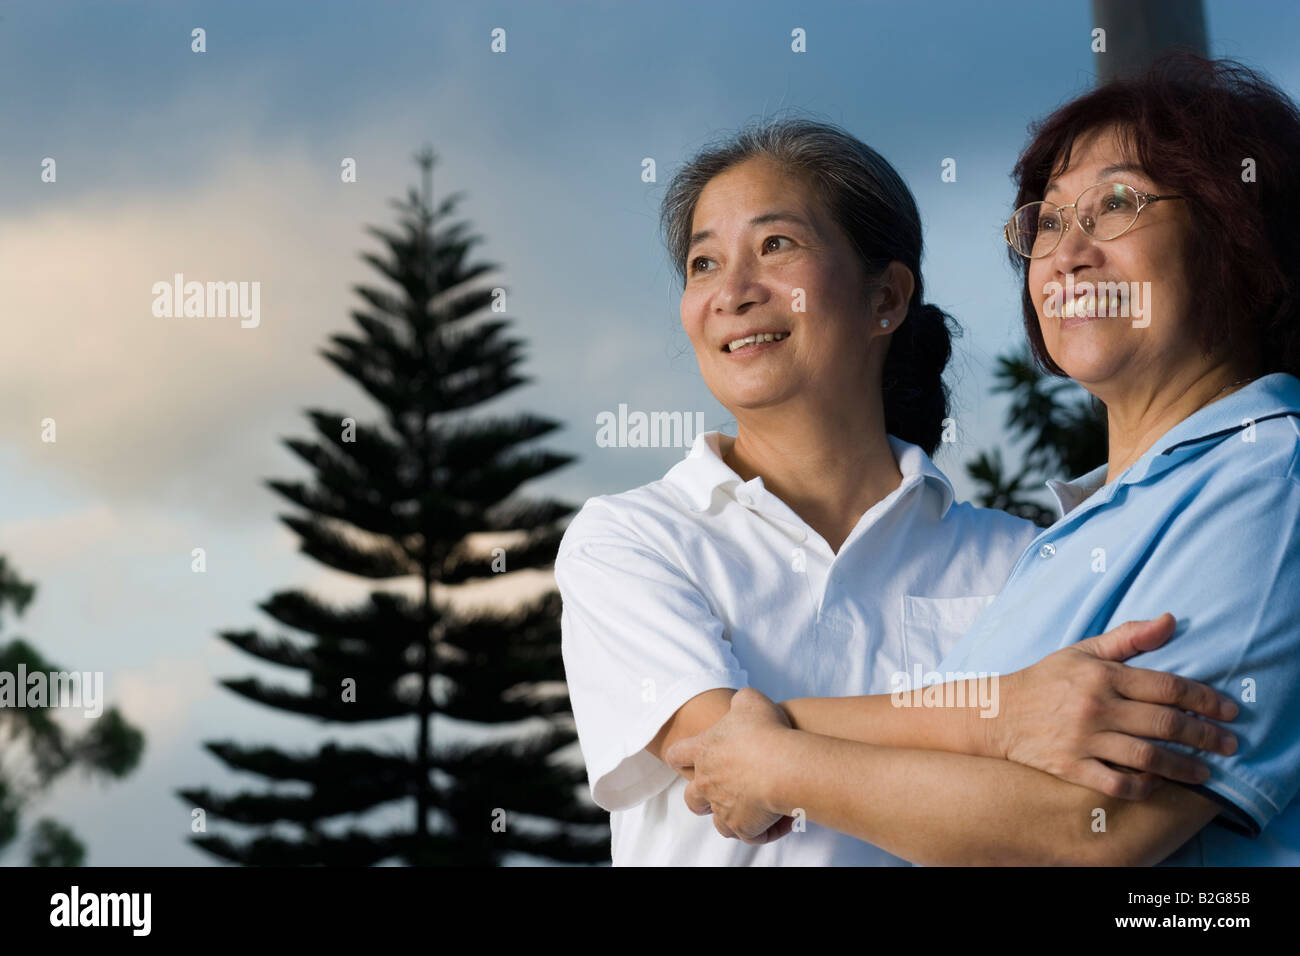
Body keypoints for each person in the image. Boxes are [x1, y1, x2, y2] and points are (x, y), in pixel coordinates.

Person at [670, 54, 1300, 866]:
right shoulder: (1080, 534)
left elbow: (1093, 826)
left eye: (1116, 205)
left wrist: (778, 758)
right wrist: (765, 733)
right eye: (1048, 221)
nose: (1068, 253)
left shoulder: (1269, 481)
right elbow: (958, 743)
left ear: (1236, 237)